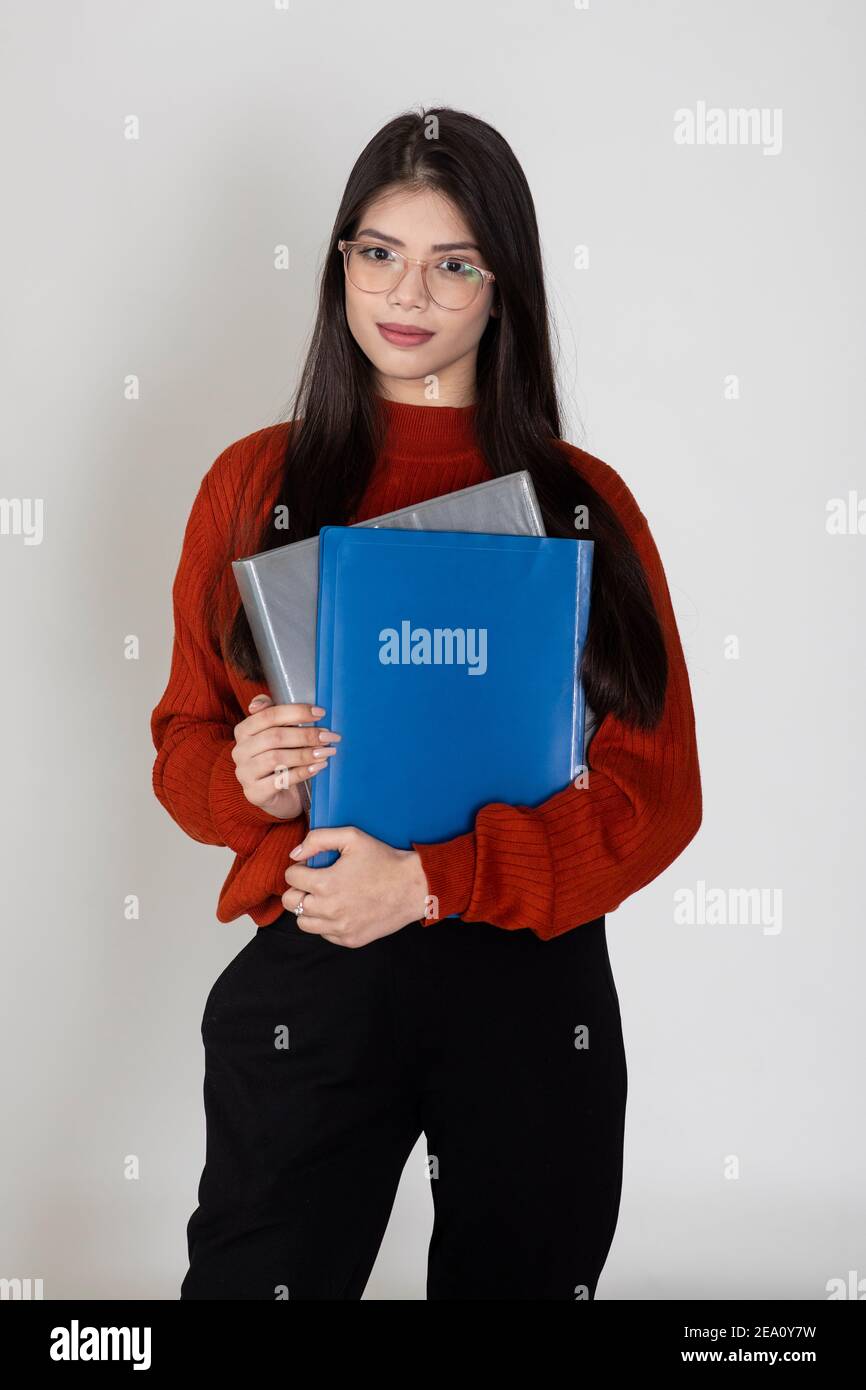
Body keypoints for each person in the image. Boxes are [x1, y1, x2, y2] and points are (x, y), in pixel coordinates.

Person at [150, 105, 702, 1301]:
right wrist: (242, 777)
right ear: (340, 263)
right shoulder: (255, 482)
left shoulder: (580, 504)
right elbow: (182, 740)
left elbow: (655, 794)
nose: (408, 292)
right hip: (317, 970)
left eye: (454, 263)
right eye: (378, 252)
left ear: (503, 290)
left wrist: (438, 881)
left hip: (526, 985)